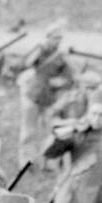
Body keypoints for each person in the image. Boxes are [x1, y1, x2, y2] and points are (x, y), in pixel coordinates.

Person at [16, 21, 74, 161]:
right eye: (54, 37)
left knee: (50, 131)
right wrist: (40, 50)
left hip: (49, 98)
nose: (57, 41)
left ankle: (47, 161)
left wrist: (59, 82)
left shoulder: (61, 56)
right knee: (28, 132)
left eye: (59, 38)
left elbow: (69, 78)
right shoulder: (39, 50)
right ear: (47, 37)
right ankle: (26, 161)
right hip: (32, 95)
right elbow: (26, 63)